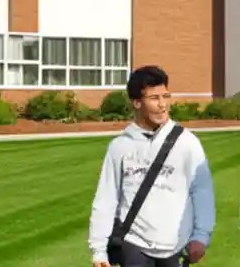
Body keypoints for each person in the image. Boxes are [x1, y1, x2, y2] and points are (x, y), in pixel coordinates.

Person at [88, 65, 215, 267]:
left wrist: (201, 235)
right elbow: (106, 198)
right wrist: (99, 250)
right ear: (137, 102)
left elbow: (202, 190)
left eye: (165, 96)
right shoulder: (120, 147)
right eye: (154, 98)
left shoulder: (187, 143)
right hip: (133, 243)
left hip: (175, 243)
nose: (162, 105)